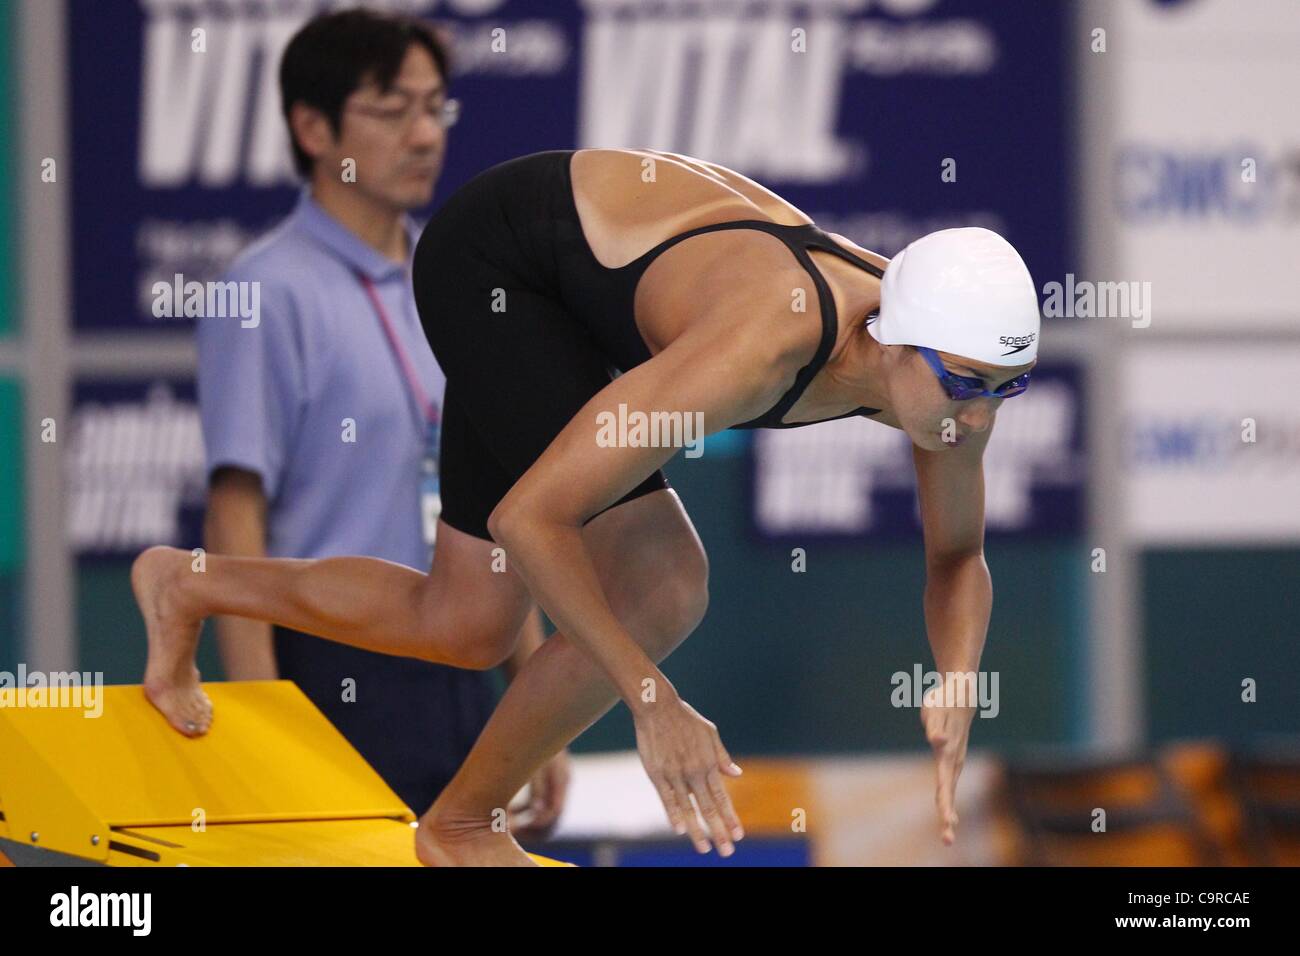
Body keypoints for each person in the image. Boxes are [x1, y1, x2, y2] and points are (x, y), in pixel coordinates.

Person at [133, 145, 1040, 866]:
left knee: (465, 625)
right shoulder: (764, 342)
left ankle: (189, 586)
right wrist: (652, 700)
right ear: (889, 340)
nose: (979, 412)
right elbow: (531, 521)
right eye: (966, 384)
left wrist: (958, 674)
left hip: (579, 294)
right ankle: (460, 826)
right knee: (665, 581)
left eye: (1010, 387)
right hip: (504, 264)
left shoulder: (952, 386)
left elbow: (957, 557)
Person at [194, 9, 565, 833]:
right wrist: (262, 721)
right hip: (336, 667)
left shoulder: (461, 276)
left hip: (464, 654)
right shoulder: (263, 290)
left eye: (436, 108)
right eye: (393, 111)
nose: (426, 134)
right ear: (313, 127)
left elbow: (496, 504)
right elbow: (235, 511)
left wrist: (536, 703)